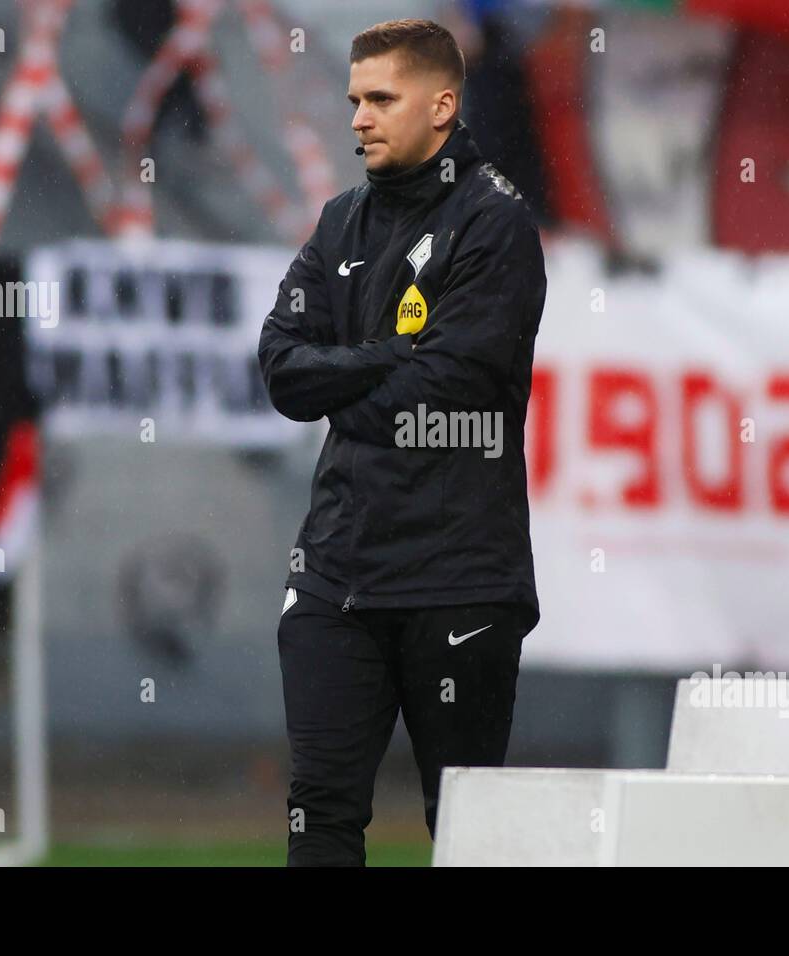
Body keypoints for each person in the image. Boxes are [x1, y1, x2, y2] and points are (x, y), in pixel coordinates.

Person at [257, 17, 547, 866]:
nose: (359, 118)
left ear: (443, 104)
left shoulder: (496, 225)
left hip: (459, 577)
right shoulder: (341, 220)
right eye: (355, 100)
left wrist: (344, 379)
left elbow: (446, 386)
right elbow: (281, 371)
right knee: (319, 810)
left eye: (381, 99)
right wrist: (386, 357)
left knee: (463, 823)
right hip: (336, 574)